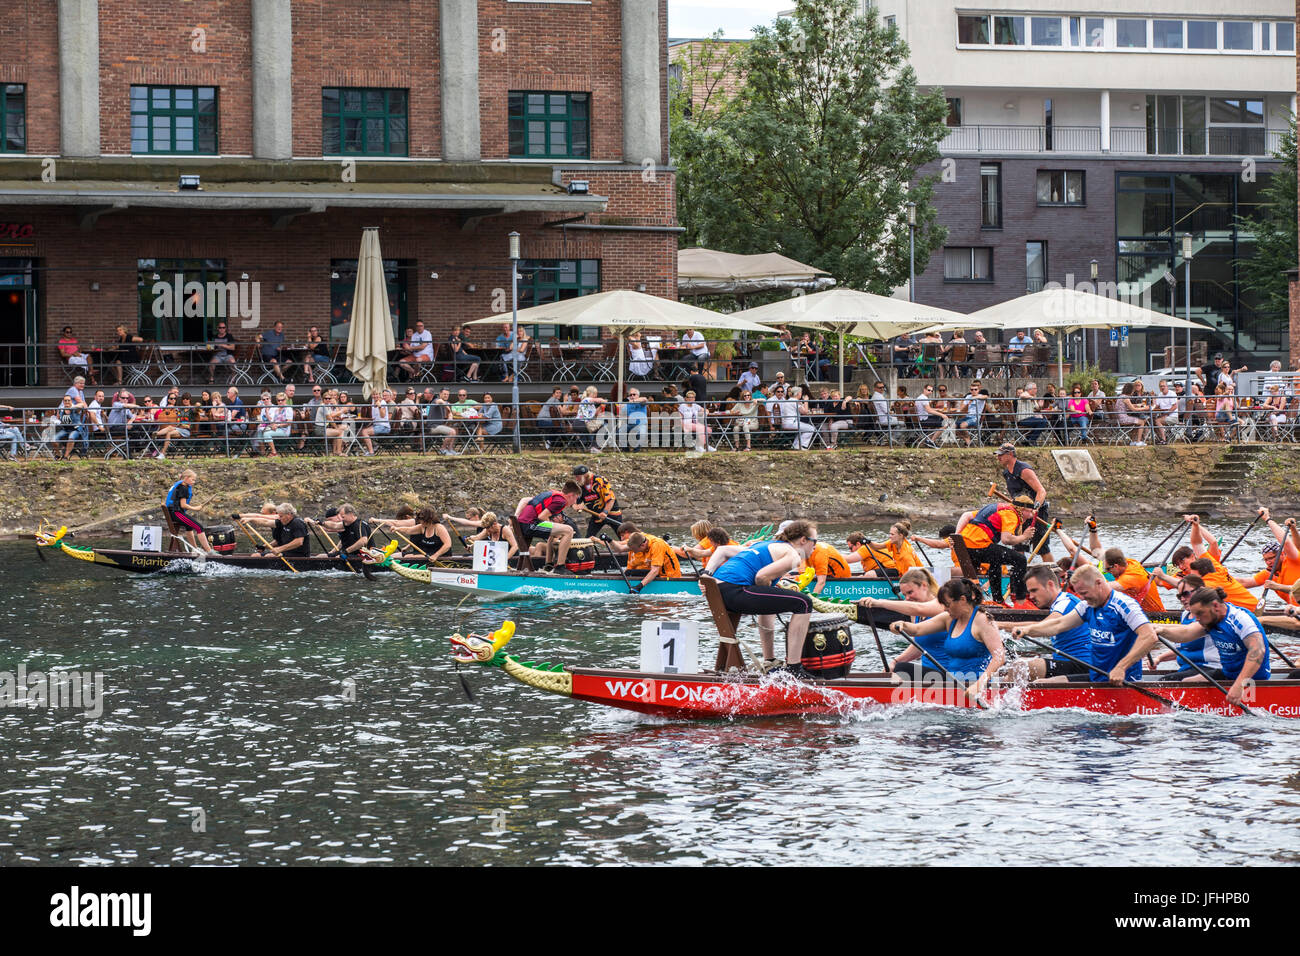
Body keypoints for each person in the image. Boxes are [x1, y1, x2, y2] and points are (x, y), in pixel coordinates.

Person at [704, 520, 818, 677]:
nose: (815, 547)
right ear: (804, 540)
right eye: (815, 542)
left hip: (718, 591)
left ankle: (769, 660)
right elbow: (761, 577)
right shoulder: (793, 555)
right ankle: (794, 668)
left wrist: (705, 574)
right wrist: (770, 586)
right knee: (804, 603)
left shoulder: (765, 544)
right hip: (735, 590)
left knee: (769, 596)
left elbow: (722, 550)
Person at [1013, 565, 1157, 683]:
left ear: (1099, 583)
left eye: (1085, 593)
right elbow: (1058, 624)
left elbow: (1149, 636)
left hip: (1123, 679)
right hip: (1097, 676)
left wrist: (1121, 667)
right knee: (1041, 685)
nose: (1082, 598)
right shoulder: (1087, 606)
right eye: (1080, 594)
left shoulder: (1125, 605)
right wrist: (1028, 630)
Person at [889, 579, 1006, 699]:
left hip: (972, 684)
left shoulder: (983, 620)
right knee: (901, 668)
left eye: (947, 604)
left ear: (962, 600)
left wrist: (979, 685)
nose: (944, 609)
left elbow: (999, 657)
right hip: (951, 681)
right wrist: (903, 625)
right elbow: (917, 629)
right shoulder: (949, 619)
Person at [1153, 587, 1270, 704]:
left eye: (1199, 613)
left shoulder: (1239, 619)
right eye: (1195, 614)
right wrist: (1161, 631)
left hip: (1252, 678)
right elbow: (1186, 633)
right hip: (1228, 674)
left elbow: (1258, 651)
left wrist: (1239, 685)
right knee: (1186, 682)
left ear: (1215, 606)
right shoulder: (1211, 619)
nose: (1197, 619)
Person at [1005, 565, 1096, 681]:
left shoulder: (1066, 602)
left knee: (1021, 668)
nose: (1031, 596)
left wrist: (999, 625)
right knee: (1007, 676)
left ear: (1050, 585)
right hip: (1065, 663)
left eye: (1034, 590)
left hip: (1083, 665)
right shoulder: (1058, 604)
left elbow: (1048, 625)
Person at [955, 495, 1038, 605]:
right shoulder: (1012, 514)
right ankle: (1019, 600)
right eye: (1030, 511)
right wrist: (1024, 536)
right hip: (978, 545)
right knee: (1021, 560)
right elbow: (1006, 539)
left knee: (996, 560)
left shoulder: (998, 507)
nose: (1031, 515)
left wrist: (957, 535)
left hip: (967, 547)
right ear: (1022, 510)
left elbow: (966, 515)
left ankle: (998, 600)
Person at [994, 443, 1052, 562]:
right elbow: (1014, 494)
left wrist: (1035, 508)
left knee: (1041, 547)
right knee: (1018, 544)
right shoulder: (1006, 473)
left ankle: (1053, 572)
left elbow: (1041, 491)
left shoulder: (1024, 470)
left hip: (1036, 512)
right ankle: (1019, 572)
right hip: (1019, 513)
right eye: (997, 455)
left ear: (1010, 454)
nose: (998, 457)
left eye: (1001, 455)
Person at [515, 482, 582, 572]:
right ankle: (560, 567)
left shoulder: (553, 494)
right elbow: (542, 517)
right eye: (576, 498)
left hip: (524, 523)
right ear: (571, 495)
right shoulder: (561, 501)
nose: (575, 502)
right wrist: (555, 527)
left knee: (555, 532)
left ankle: (549, 565)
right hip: (530, 525)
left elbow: (526, 500)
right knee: (568, 530)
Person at [163, 469, 217, 554]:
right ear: (186, 478)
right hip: (176, 513)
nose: (194, 482)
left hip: (174, 513)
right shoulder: (183, 488)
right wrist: (196, 508)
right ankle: (209, 551)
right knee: (199, 527)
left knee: (189, 527)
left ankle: (194, 549)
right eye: (193, 479)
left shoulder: (182, 486)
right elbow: (183, 505)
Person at [379, 506, 451, 562]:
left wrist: (436, 555)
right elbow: (409, 530)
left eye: (422, 519)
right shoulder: (422, 527)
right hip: (427, 553)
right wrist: (397, 529)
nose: (420, 521)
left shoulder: (439, 528)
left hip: (440, 555)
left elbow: (448, 544)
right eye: (420, 519)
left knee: (408, 557)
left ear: (429, 519)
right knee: (393, 556)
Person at [572, 465, 622, 537]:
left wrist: (605, 512)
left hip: (612, 513)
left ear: (585, 475)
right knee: (588, 538)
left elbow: (611, 499)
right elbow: (577, 501)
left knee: (622, 536)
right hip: (596, 515)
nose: (576, 479)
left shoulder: (600, 480)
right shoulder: (580, 485)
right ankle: (588, 547)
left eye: (577, 476)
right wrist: (575, 506)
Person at [914, 383, 947, 447]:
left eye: (931, 391)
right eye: (928, 390)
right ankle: (931, 441)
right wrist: (941, 414)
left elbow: (928, 409)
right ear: (924, 389)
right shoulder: (924, 398)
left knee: (939, 419)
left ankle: (928, 440)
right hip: (924, 420)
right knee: (945, 424)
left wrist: (937, 410)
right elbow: (928, 410)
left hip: (922, 419)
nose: (930, 392)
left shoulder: (920, 397)